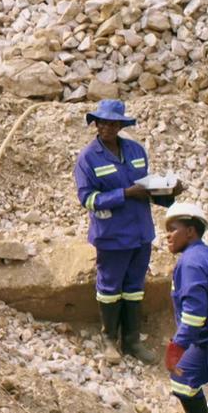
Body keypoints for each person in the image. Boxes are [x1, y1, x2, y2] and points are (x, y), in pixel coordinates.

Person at [73, 99, 185, 364]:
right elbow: (87, 199)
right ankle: (110, 340)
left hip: (140, 232)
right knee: (110, 288)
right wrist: (124, 194)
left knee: (134, 288)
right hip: (111, 235)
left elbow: (146, 190)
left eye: (113, 123)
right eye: (102, 123)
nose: (107, 128)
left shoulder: (136, 151)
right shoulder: (87, 158)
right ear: (96, 124)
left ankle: (132, 341)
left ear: (121, 125)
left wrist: (169, 192)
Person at [164, 203, 208, 413]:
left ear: (190, 231)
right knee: (182, 380)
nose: (168, 236)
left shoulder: (190, 262)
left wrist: (177, 347)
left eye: (173, 229)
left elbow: (194, 316)